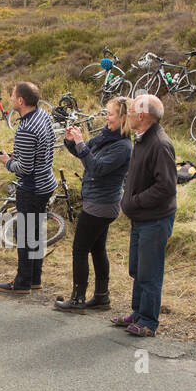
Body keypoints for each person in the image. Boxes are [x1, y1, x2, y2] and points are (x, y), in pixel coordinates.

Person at [56, 97, 134, 311]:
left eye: (110, 114)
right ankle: (101, 297)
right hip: (98, 201)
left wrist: (81, 143)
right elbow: (82, 154)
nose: (106, 117)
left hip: (102, 204)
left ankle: (77, 298)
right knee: (97, 249)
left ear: (123, 118)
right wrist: (71, 140)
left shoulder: (123, 146)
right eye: (106, 113)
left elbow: (96, 167)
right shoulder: (106, 137)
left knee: (79, 249)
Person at [109, 94, 176, 336]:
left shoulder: (160, 144)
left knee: (150, 271)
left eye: (133, 109)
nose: (127, 114)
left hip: (155, 219)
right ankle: (137, 313)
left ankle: (148, 322)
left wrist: (135, 201)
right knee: (137, 269)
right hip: (141, 217)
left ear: (142, 116)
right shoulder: (142, 138)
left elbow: (166, 187)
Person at [0, 82, 55, 294]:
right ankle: (35, 277)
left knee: (25, 235)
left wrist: (6, 161)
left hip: (31, 187)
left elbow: (24, 168)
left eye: (12, 95)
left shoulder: (26, 128)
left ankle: (22, 282)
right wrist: (17, 155)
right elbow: (43, 149)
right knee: (36, 232)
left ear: (21, 100)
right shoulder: (44, 116)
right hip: (47, 181)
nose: (10, 99)